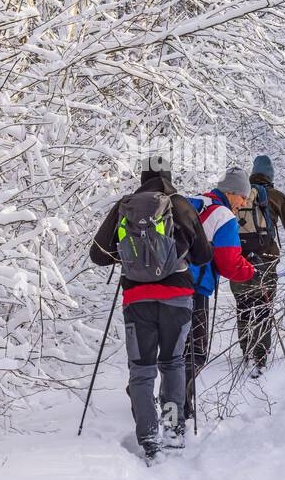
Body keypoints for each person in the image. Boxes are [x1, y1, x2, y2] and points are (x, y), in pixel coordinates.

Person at [90, 153, 213, 461]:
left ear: (142, 177)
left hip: (136, 300)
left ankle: (148, 439)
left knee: (142, 370)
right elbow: (203, 255)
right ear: (168, 177)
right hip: (178, 298)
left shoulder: (125, 207)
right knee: (172, 363)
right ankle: (173, 430)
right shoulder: (180, 204)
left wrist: (131, 256)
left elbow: (98, 255)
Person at [183, 167, 256, 419]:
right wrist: (251, 272)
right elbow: (229, 263)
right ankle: (181, 406)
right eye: (242, 197)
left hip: (169, 284)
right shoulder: (223, 215)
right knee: (196, 351)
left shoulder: (192, 203)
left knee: (173, 349)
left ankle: (146, 392)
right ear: (231, 192)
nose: (244, 203)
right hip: (196, 289)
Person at [230, 154, 285, 377]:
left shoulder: (238, 195)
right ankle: (261, 355)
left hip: (238, 258)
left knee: (244, 305)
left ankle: (246, 350)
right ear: (271, 176)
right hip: (266, 258)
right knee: (264, 306)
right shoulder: (275, 196)